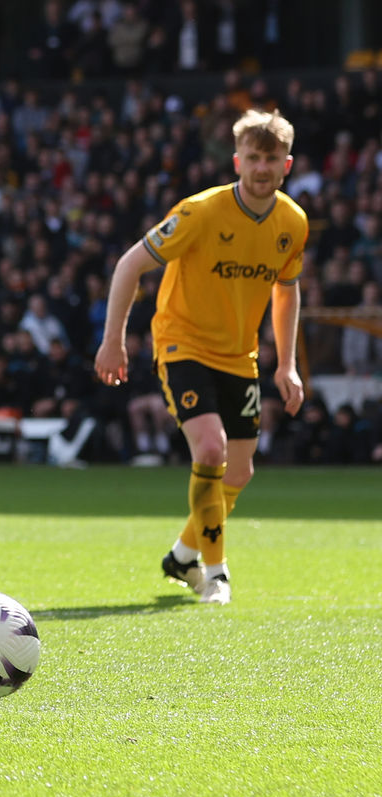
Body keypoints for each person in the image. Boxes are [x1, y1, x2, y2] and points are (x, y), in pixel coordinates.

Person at [95, 109, 307, 606]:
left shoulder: (292, 223)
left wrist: (287, 363)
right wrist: (113, 339)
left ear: (287, 165)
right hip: (182, 344)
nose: (261, 168)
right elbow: (130, 264)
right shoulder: (200, 212)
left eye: (270, 159)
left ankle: (183, 554)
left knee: (239, 473)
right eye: (252, 158)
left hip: (240, 355)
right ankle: (215, 573)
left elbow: (287, 290)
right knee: (210, 451)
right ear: (237, 161)